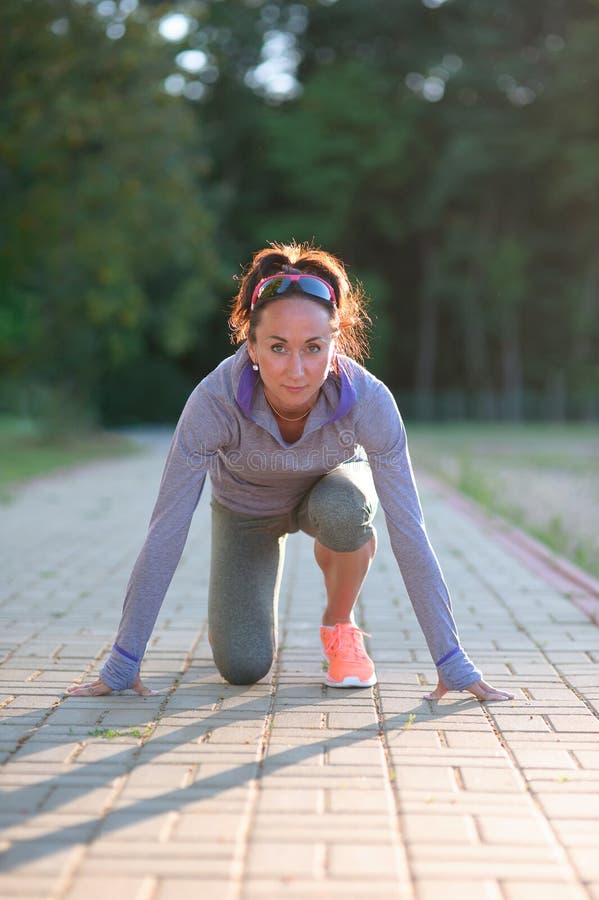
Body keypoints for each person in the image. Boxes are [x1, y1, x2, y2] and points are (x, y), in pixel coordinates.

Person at [67, 242, 513, 702]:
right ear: (252, 345)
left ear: (335, 344)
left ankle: (340, 624)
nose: (297, 370)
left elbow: (410, 529)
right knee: (242, 667)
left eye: (314, 348)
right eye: (278, 347)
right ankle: (241, 614)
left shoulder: (368, 399)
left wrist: (451, 661)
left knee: (345, 509)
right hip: (246, 513)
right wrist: (124, 661)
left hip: (329, 494)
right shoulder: (214, 401)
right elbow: (167, 528)